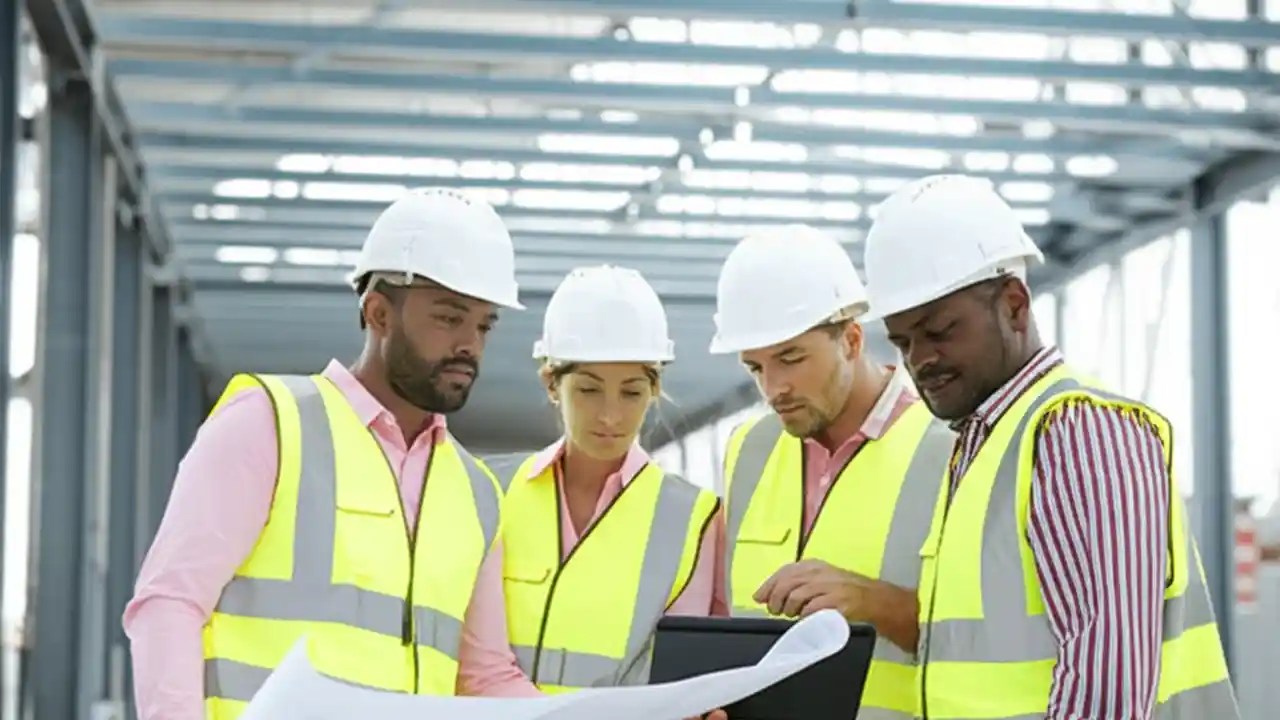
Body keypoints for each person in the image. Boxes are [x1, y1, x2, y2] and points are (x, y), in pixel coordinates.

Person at [124, 189, 523, 720]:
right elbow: (169, 603)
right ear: (379, 314)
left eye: (484, 324)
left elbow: (486, 677)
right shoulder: (268, 424)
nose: (470, 344)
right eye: (450, 319)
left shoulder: (477, 495)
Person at [861, 173, 1239, 720]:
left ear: (1014, 305)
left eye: (940, 330)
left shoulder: (1080, 435)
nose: (920, 359)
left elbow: (1108, 692)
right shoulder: (983, 443)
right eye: (903, 341)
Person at [707, 226, 955, 720]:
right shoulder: (748, 451)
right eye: (755, 367)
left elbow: (990, 643)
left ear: (852, 339)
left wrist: (879, 604)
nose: (773, 388)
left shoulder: (949, 447)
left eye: (791, 358)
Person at [457, 265, 723, 697]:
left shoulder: (697, 519)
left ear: (654, 391)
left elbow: (679, 684)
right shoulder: (490, 489)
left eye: (632, 392)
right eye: (588, 389)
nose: (610, 415)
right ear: (551, 383)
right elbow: (477, 663)